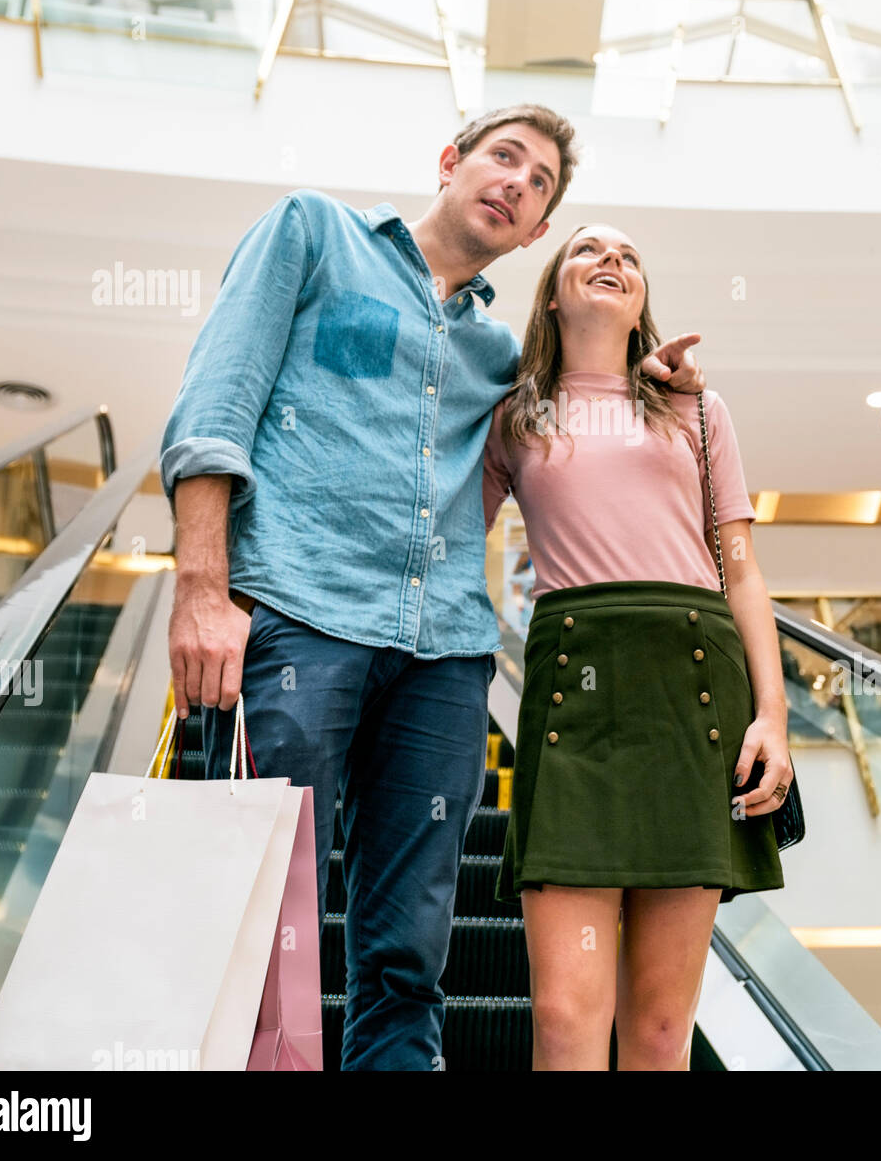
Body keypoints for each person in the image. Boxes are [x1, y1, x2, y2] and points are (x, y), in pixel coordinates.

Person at [159, 105, 706, 1071]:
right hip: (299, 622)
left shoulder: (502, 361)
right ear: (451, 162)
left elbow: (576, 404)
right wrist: (203, 586)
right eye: (505, 159)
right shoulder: (312, 235)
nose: (517, 184)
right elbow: (216, 403)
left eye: (539, 185)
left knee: (409, 959)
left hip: (446, 660)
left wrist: (638, 378)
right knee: (258, 925)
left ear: (536, 233)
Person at [482, 223, 791, 1071]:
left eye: (629, 256)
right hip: (570, 696)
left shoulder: (697, 405)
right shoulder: (513, 414)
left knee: (660, 1029)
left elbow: (743, 572)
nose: (612, 261)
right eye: (587, 251)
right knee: (562, 1016)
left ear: (643, 298)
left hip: (691, 689)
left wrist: (773, 715)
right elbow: (445, 536)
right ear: (551, 293)